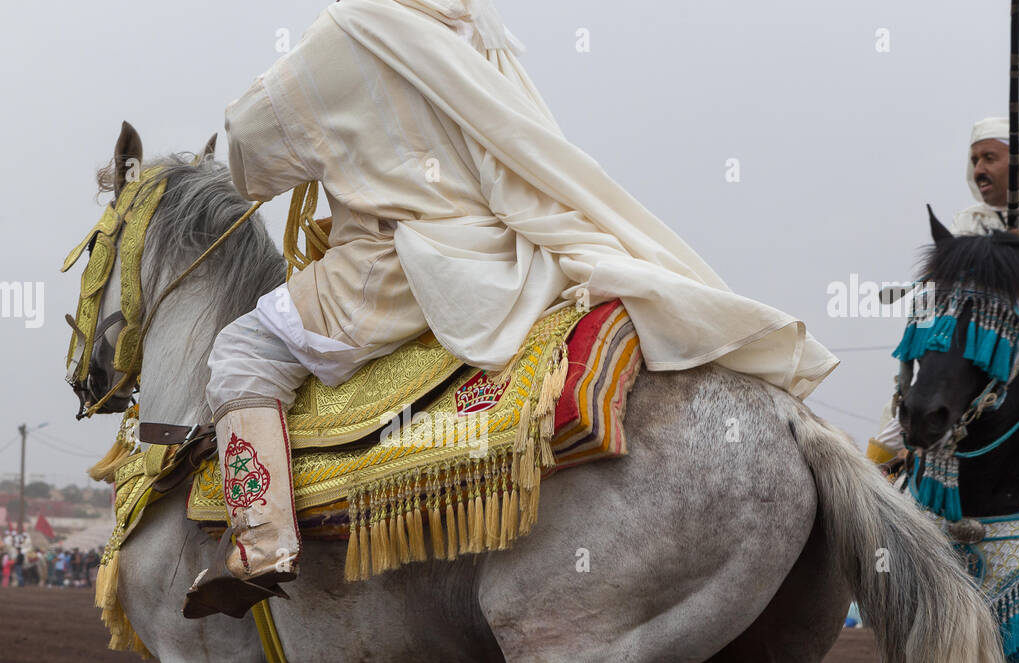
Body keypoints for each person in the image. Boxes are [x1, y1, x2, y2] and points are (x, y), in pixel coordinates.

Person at [188, 0, 837, 617]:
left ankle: (261, 540)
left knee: (242, 351)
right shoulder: (473, 23)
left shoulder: (353, 25)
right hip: (501, 251)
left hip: (389, 267)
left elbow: (248, 144)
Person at [868, 117, 1019, 464]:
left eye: (989, 158)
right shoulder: (968, 224)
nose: (979, 169)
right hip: (977, 365)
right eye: (974, 161)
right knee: (900, 425)